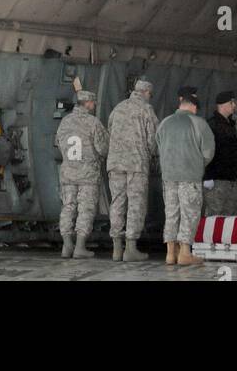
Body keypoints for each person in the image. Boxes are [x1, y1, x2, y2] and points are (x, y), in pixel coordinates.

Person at [156, 85, 215, 267]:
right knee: (189, 213)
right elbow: (208, 152)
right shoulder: (199, 123)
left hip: (169, 176)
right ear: (194, 107)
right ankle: (185, 253)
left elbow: (158, 146)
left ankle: (170, 254)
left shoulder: (164, 122)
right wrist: (196, 164)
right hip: (190, 177)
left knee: (171, 213)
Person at [106, 77, 159, 262]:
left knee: (117, 202)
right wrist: (154, 156)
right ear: (146, 92)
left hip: (115, 163)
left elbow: (110, 131)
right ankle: (130, 248)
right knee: (136, 203)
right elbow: (153, 140)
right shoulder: (146, 110)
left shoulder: (118, 108)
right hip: (136, 164)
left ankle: (116, 248)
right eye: (150, 94)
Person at [54, 89, 109, 258]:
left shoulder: (65, 122)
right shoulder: (93, 123)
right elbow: (103, 148)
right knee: (85, 209)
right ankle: (80, 247)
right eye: (92, 103)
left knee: (68, 207)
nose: (94, 106)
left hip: (68, 173)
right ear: (87, 103)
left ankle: (67, 246)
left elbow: (57, 143)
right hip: (87, 175)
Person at [204, 90, 237, 216]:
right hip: (216, 180)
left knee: (228, 217)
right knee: (214, 215)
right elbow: (206, 151)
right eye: (231, 102)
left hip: (229, 179)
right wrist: (208, 176)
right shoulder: (212, 124)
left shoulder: (230, 124)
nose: (234, 105)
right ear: (222, 105)